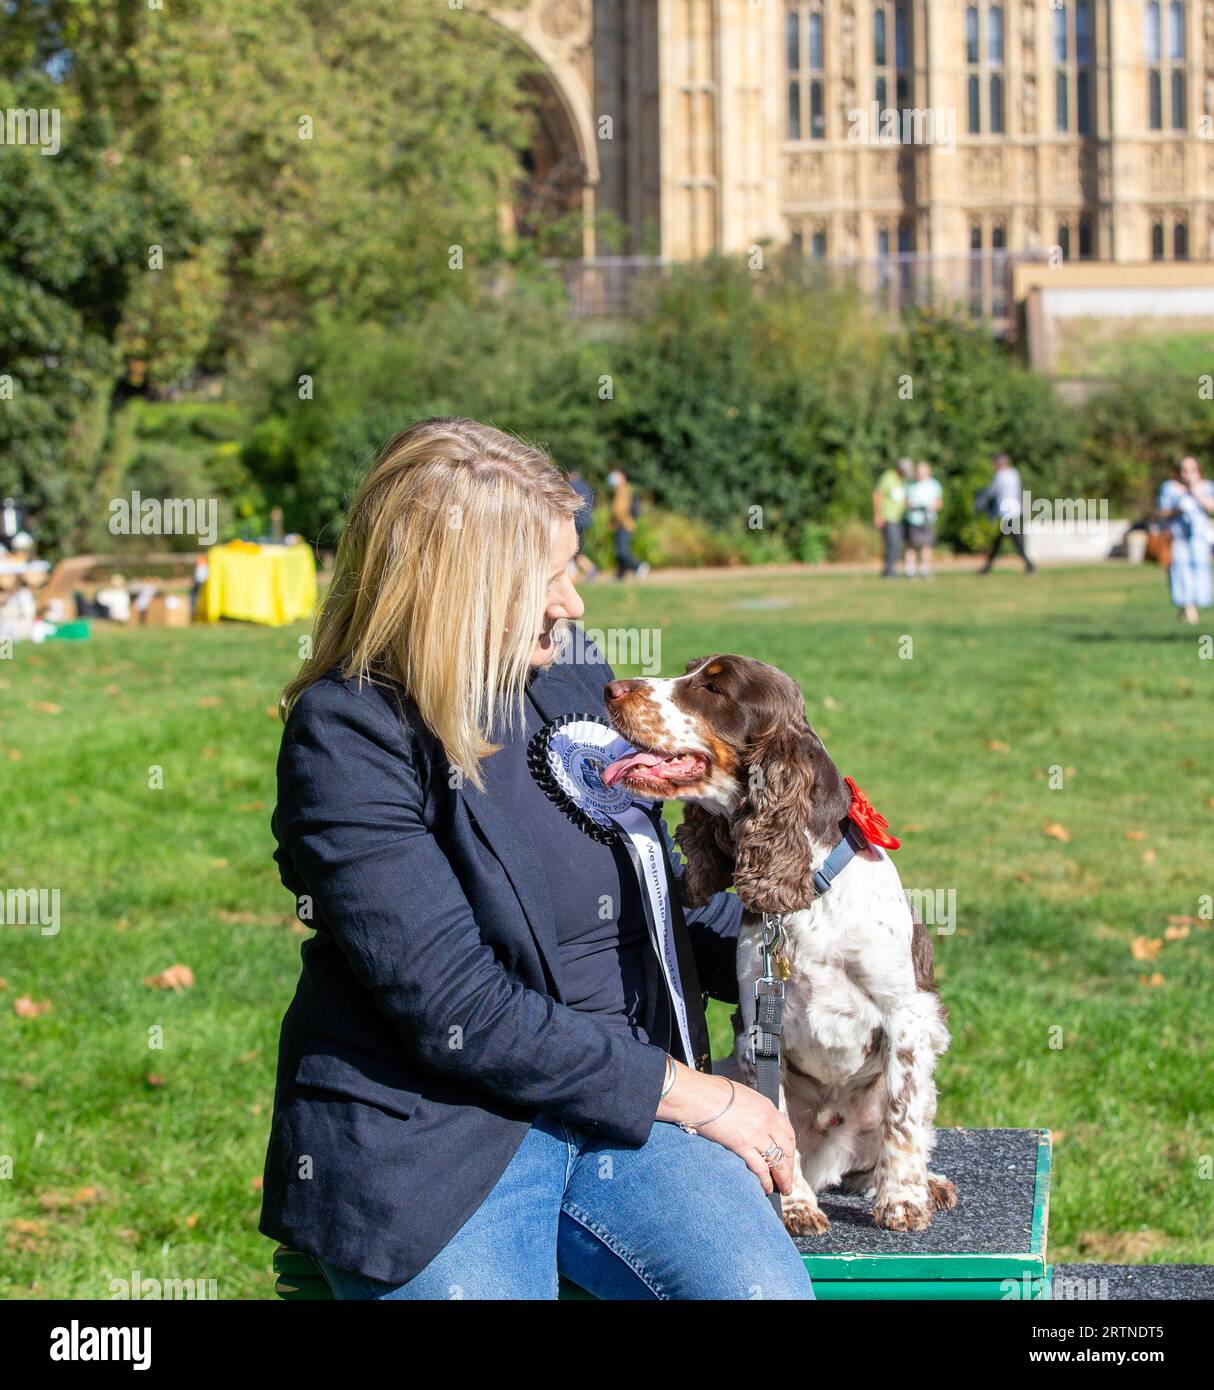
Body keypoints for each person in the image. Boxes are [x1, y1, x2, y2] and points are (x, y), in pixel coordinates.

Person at [259, 417, 813, 1301]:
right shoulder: (348, 733)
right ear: (457, 587)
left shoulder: (568, 673)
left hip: (634, 1122)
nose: (575, 603)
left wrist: (810, 929)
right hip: (438, 1139)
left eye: (574, 569)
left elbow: (663, 901)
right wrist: (694, 1095)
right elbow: (457, 1007)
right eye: (548, 577)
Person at [1156, 455, 1214, 624]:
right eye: (1184, 470)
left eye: (1192, 470)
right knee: (1181, 572)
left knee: (1199, 570)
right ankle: (1188, 608)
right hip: (1178, 539)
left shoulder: (1206, 487)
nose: (1188, 474)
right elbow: (1161, 511)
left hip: (1199, 539)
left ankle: (1193, 605)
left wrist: (1195, 492)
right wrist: (1176, 509)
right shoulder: (1170, 488)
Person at [977, 453, 1035, 574]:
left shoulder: (1000, 476)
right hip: (1015, 511)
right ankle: (987, 567)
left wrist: (981, 499)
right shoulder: (1014, 473)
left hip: (1007, 513)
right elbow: (1019, 490)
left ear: (999, 464)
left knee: (1016, 542)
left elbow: (992, 492)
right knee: (1002, 541)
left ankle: (1030, 566)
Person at [607, 467, 648, 581]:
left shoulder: (624, 490)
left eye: (616, 476)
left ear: (623, 477)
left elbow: (619, 510)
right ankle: (620, 576)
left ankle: (639, 567)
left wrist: (614, 521)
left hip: (624, 525)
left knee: (622, 552)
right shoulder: (619, 489)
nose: (613, 478)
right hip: (620, 525)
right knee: (619, 551)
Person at [903, 461, 943, 578]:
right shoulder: (910, 484)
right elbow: (905, 501)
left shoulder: (934, 484)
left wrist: (931, 507)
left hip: (927, 519)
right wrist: (912, 505)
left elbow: (939, 503)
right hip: (913, 519)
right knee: (911, 544)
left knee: (926, 545)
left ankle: (924, 568)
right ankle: (909, 569)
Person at [873, 457, 912, 577]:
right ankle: (889, 571)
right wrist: (878, 515)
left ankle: (889, 569)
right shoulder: (888, 477)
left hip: (899, 517)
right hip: (888, 517)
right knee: (892, 543)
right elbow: (877, 494)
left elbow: (901, 499)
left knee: (897, 544)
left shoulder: (903, 480)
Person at [566, 467, 598, 581]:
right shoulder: (586, 485)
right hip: (586, 522)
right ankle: (589, 570)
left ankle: (590, 570)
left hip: (576, 522)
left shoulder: (572, 486)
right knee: (577, 550)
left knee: (572, 550)